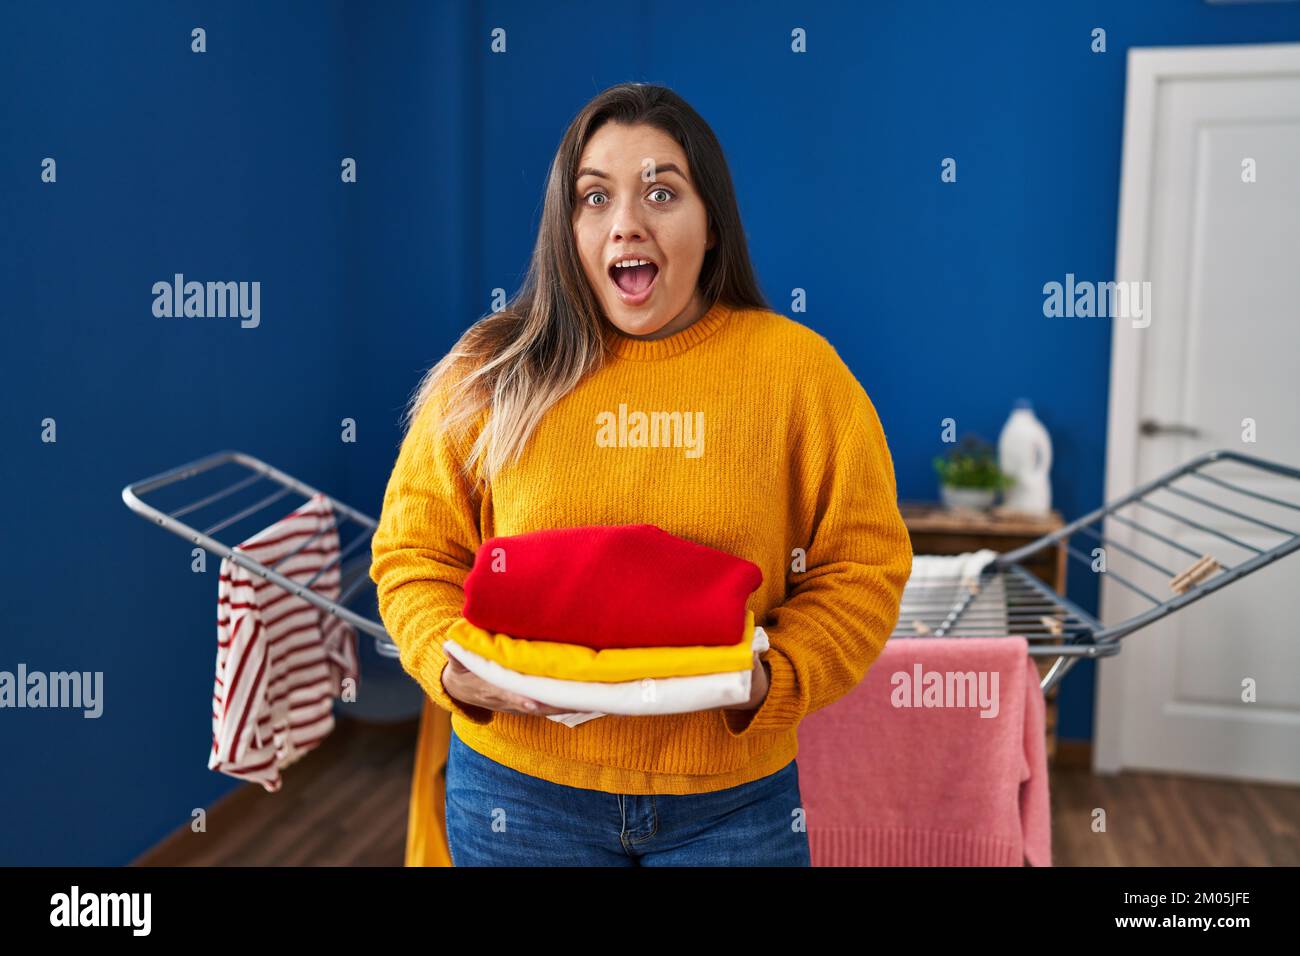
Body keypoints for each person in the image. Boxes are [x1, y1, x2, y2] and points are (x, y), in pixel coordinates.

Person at [369, 82, 913, 866]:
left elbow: (863, 566)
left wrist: (779, 677)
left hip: (734, 805)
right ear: (569, 226)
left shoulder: (801, 375)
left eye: (662, 191)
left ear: (713, 225)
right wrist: (451, 666)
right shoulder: (490, 370)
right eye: (595, 198)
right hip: (518, 798)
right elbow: (414, 554)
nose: (627, 222)